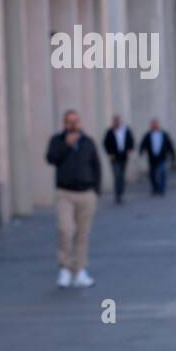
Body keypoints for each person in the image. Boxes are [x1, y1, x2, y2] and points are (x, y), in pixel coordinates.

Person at [45, 109, 101, 288]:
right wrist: (66, 146)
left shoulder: (88, 142)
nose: (73, 124)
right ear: (64, 123)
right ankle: (65, 268)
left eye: (75, 121)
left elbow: (96, 166)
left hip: (86, 193)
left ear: (80, 122)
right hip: (65, 193)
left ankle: (80, 270)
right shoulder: (57, 141)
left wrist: (96, 191)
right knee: (65, 229)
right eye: (69, 121)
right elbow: (51, 158)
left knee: (82, 234)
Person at [138, 119, 176, 195]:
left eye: (156, 124)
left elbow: (169, 145)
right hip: (152, 158)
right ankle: (155, 187)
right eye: (153, 124)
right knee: (152, 174)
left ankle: (162, 188)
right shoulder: (148, 135)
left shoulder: (164, 134)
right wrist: (141, 151)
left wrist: (173, 154)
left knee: (162, 173)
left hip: (162, 157)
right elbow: (143, 144)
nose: (154, 125)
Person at [102, 115, 134, 203]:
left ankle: (121, 191)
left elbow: (131, 141)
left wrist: (129, 150)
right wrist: (109, 153)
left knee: (122, 175)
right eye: (115, 121)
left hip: (123, 157)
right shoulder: (109, 131)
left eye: (118, 121)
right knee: (117, 175)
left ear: (120, 121)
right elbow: (105, 143)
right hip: (114, 157)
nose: (116, 122)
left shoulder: (126, 130)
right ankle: (117, 194)